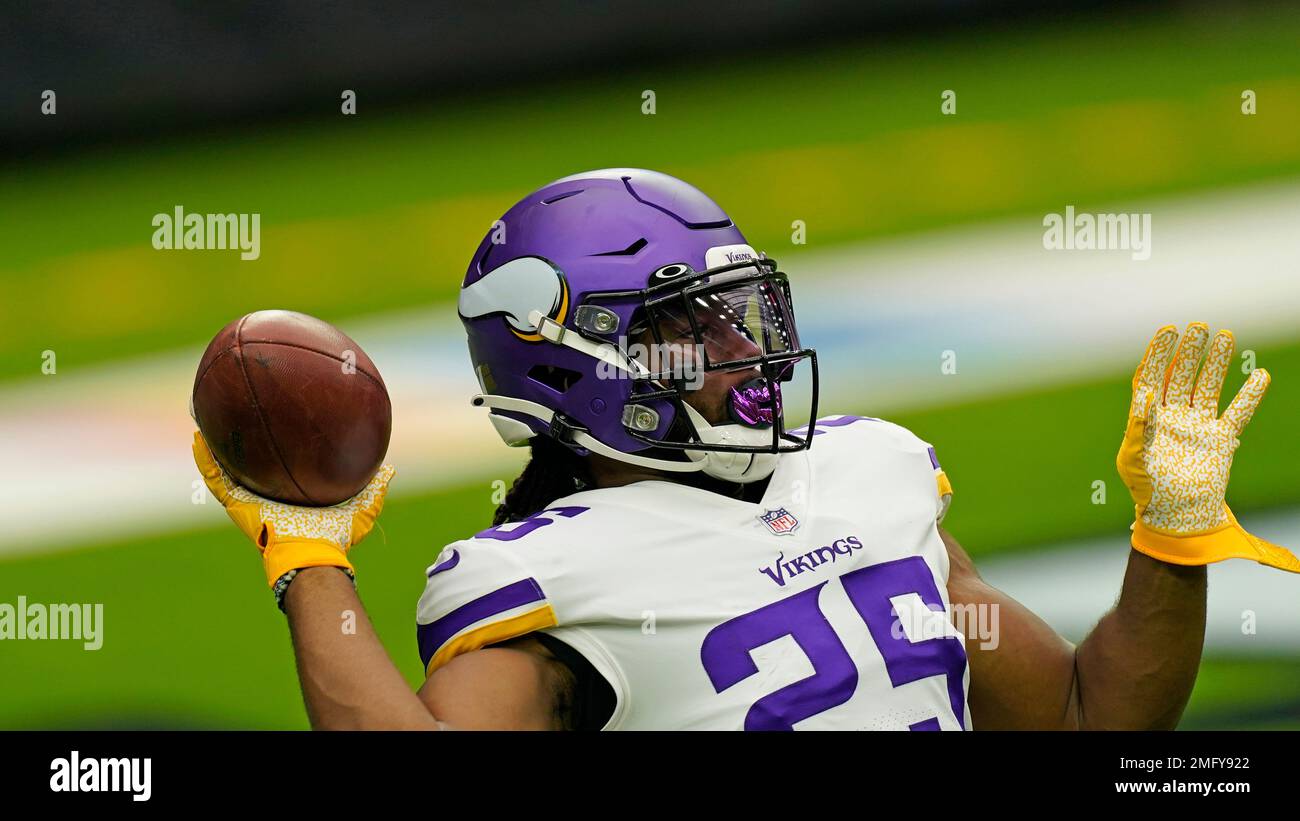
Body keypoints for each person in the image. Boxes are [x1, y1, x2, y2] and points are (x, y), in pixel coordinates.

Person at [194, 168, 1299, 730]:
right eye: (691, 329)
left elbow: (1081, 716)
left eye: (744, 314)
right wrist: (308, 555)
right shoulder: (541, 579)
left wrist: (1171, 534)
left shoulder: (869, 472)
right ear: (572, 363)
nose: (745, 352)